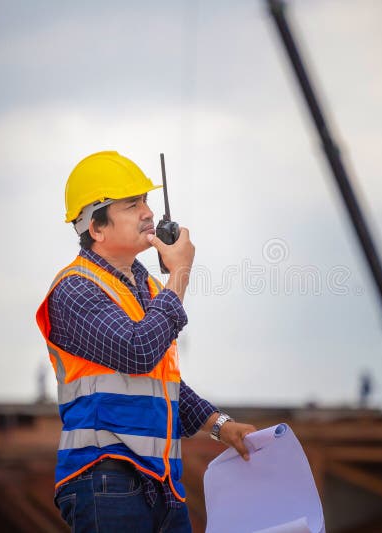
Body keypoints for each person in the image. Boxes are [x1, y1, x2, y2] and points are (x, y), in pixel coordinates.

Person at [35, 151, 256, 532]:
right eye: (132, 204)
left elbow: (162, 383)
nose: (147, 213)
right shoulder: (75, 289)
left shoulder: (150, 289)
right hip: (105, 476)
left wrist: (221, 425)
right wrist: (181, 274)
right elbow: (137, 352)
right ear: (97, 227)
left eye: (147, 200)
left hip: (162, 481)